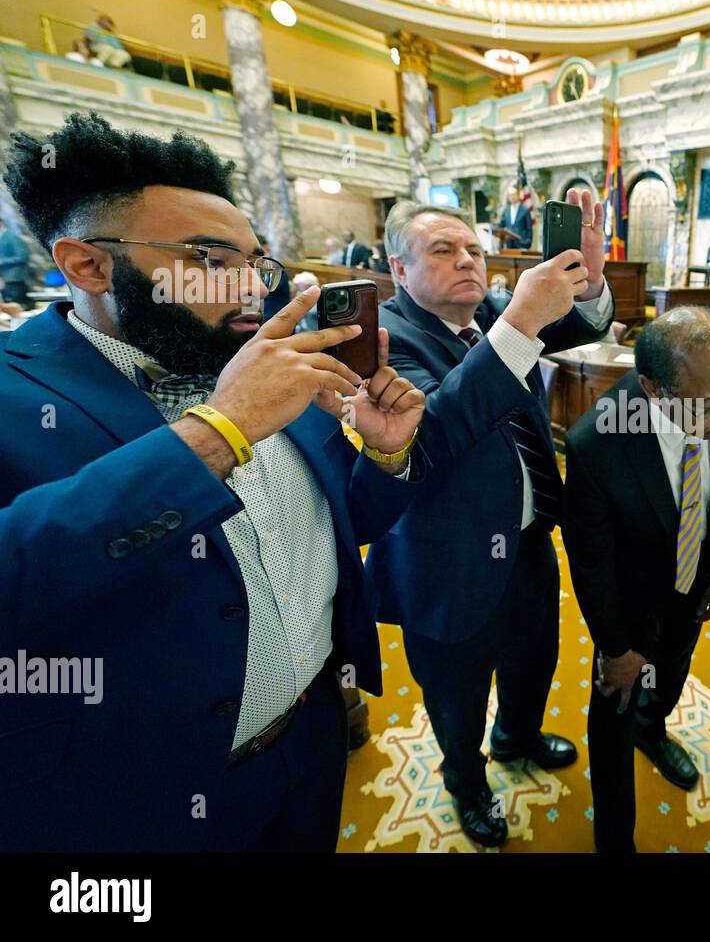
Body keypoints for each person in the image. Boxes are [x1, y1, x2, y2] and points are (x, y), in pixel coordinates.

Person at [0, 113, 434, 851]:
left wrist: (386, 457)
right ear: (87, 265)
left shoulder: (267, 363)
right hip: (139, 805)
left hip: (311, 739)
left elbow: (339, 524)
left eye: (256, 262)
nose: (249, 289)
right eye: (207, 258)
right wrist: (217, 431)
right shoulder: (16, 395)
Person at [366, 189, 613, 848]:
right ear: (398, 269)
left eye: (474, 249)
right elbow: (437, 430)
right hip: (445, 562)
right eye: (443, 251)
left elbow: (582, 326)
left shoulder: (495, 318)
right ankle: (465, 783)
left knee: (534, 657)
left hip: (529, 539)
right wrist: (522, 321)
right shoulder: (383, 341)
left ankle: (518, 738)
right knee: (457, 692)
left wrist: (587, 280)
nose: (467, 261)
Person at [563, 307, 710, 853]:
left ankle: (653, 732)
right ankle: (614, 836)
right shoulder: (596, 443)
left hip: (695, 583)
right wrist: (615, 648)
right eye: (708, 408)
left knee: (674, 666)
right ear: (655, 390)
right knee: (615, 711)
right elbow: (590, 562)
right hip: (629, 606)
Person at [0, 220, 29, 307]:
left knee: (17, 305)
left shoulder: (12, 237)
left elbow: (22, 256)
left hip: (14, 278)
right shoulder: (3, 237)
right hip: (5, 279)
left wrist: (1, 261)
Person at [497, 184, 532, 250]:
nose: (512, 197)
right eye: (510, 195)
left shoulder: (525, 210)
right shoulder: (506, 210)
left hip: (522, 244)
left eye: (513, 194)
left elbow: (529, 229)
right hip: (509, 244)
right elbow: (501, 225)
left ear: (518, 195)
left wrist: (527, 243)